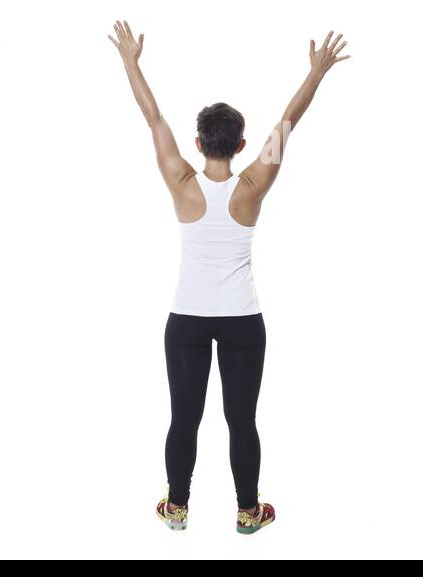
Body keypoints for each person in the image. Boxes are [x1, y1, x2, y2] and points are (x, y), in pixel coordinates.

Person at [108, 21, 349, 534]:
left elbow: (152, 118)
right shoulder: (254, 184)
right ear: (241, 144)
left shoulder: (179, 178)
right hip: (242, 321)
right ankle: (247, 511)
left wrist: (131, 62)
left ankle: (177, 506)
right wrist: (317, 73)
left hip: (187, 321)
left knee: (184, 420)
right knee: (242, 421)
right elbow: (288, 122)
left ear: (198, 142)